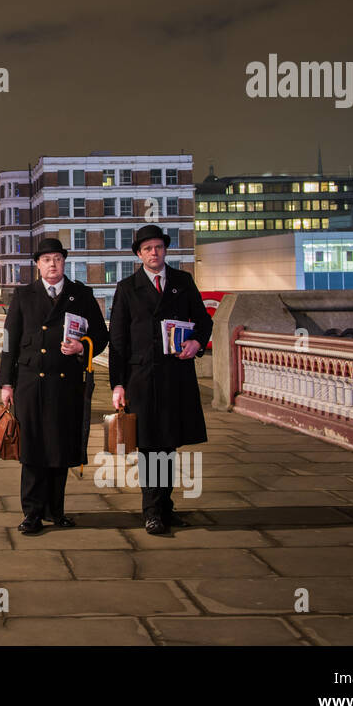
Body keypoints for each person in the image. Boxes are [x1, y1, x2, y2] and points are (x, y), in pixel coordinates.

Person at [108, 225, 213, 536]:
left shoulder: (183, 282)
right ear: (139, 254)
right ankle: (152, 511)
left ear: (165, 250)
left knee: (168, 445)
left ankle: (165, 508)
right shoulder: (128, 287)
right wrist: (118, 384)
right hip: (140, 378)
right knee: (149, 447)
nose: (154, 253)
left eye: (158, 247)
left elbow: (203, 321)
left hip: (175, 377)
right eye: (148, 249)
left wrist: (196, 342)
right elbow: (118, 340)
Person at [0, 238, 109, 535]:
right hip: (31, 384)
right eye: (46, 259)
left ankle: (55, 510)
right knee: (33, 450)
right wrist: (6, 383)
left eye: (57, 259)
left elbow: (100, 335)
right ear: (37, 265)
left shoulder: (81, 294)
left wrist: (81, 347)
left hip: (66, 384)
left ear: (64, 262)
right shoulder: (24, 296)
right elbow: (9, 341)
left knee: (60, 448)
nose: (52, 264)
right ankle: (32, 513)